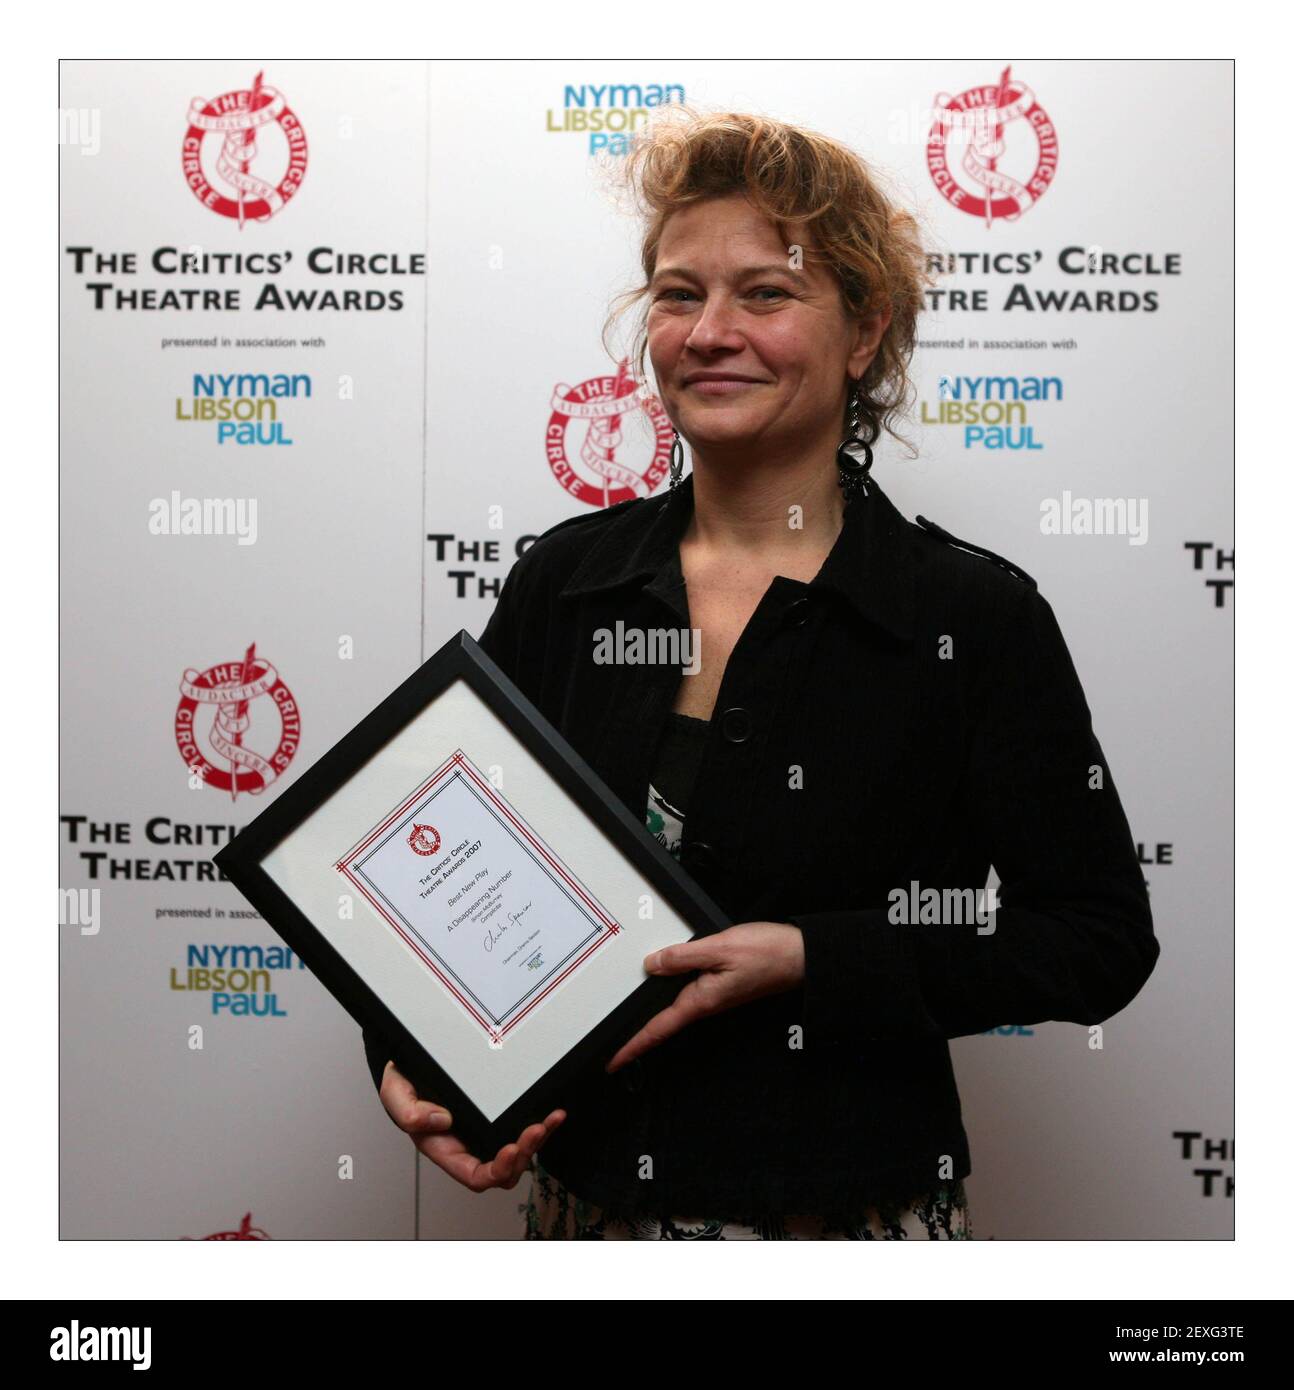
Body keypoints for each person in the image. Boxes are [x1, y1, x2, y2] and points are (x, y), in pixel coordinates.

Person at [363, 108, 1160, 1240]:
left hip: (851, 1215)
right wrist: (404, 1054)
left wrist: (814, 958)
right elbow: (445, 877)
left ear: (864, 332)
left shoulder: (969, 614)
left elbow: (1095, 937)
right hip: (589, 1208)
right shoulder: (568, 579)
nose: (709, 331)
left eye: (767, 294)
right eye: (679, 295)